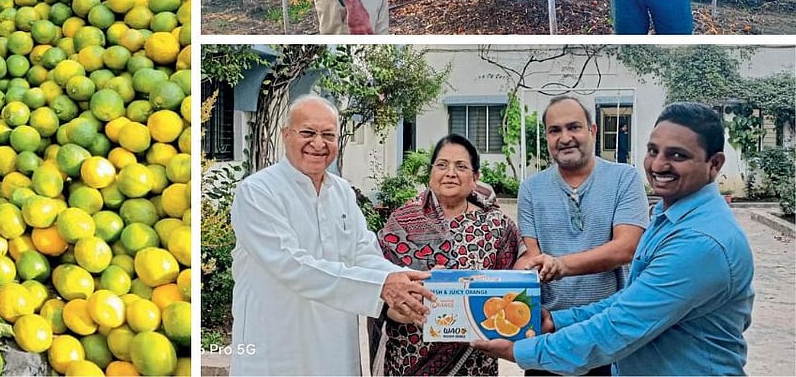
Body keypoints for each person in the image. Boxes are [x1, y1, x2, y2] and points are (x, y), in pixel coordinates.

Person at [475, 102, 755, 375]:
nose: (658, 164)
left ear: (714, 163)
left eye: (677, 155)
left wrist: (520, 351)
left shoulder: (700, 241)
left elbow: (619, 326)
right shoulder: (668, 217)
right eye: (653, 151)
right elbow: (630, 299)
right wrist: (558, 321)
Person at [230, 94, 434, 376]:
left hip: (335, 346)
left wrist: (408, 284)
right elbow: (291, 265)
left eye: (328, 135)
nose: (318, 144)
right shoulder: (257, 192)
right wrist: (380, 286)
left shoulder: (341, 191)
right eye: (307, 133)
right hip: (275, 344)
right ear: (286, 135)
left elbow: (363, 254)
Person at [514, 96, 649, 376]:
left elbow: (626, 247)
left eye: (574, 127)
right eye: (555, 130)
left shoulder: (624, 179)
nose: (565, 138)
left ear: (593, 130)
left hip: (609, 331)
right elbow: (533, 257)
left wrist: (560, 264)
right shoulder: (531, 189)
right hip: (549, 331)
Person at [372, 134, 523, 376]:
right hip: (409, 359)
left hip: (475, 362)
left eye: (461, 166)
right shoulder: (401, 221)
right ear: (431, 173)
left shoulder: (498, 227)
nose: (450, 173)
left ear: (475, 178)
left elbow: (511, 289)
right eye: (442, 165)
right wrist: (404, 310)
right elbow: (378, 288)